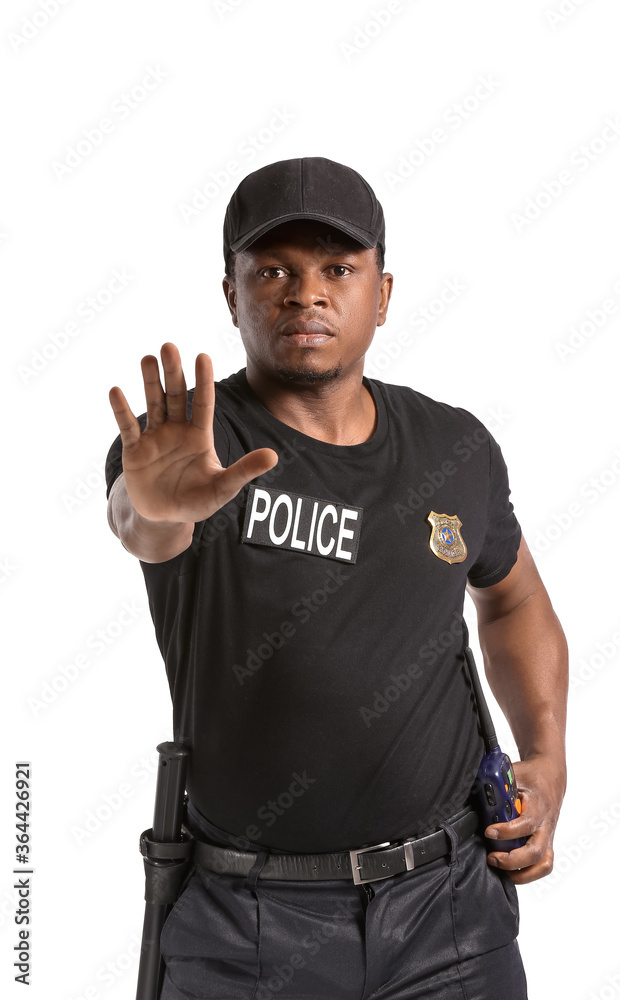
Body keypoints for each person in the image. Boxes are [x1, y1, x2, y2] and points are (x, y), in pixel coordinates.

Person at [105, 156, 568, 1000]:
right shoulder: (187, 445)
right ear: (232, 295)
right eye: (272, 271)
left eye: (337, 269)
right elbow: (144, 525)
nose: (305, 293)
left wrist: (546, 754)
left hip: (450, 910)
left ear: (381, 294)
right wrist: (157, 508)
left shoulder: (453, 445)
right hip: (247, 926)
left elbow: (512, 597)